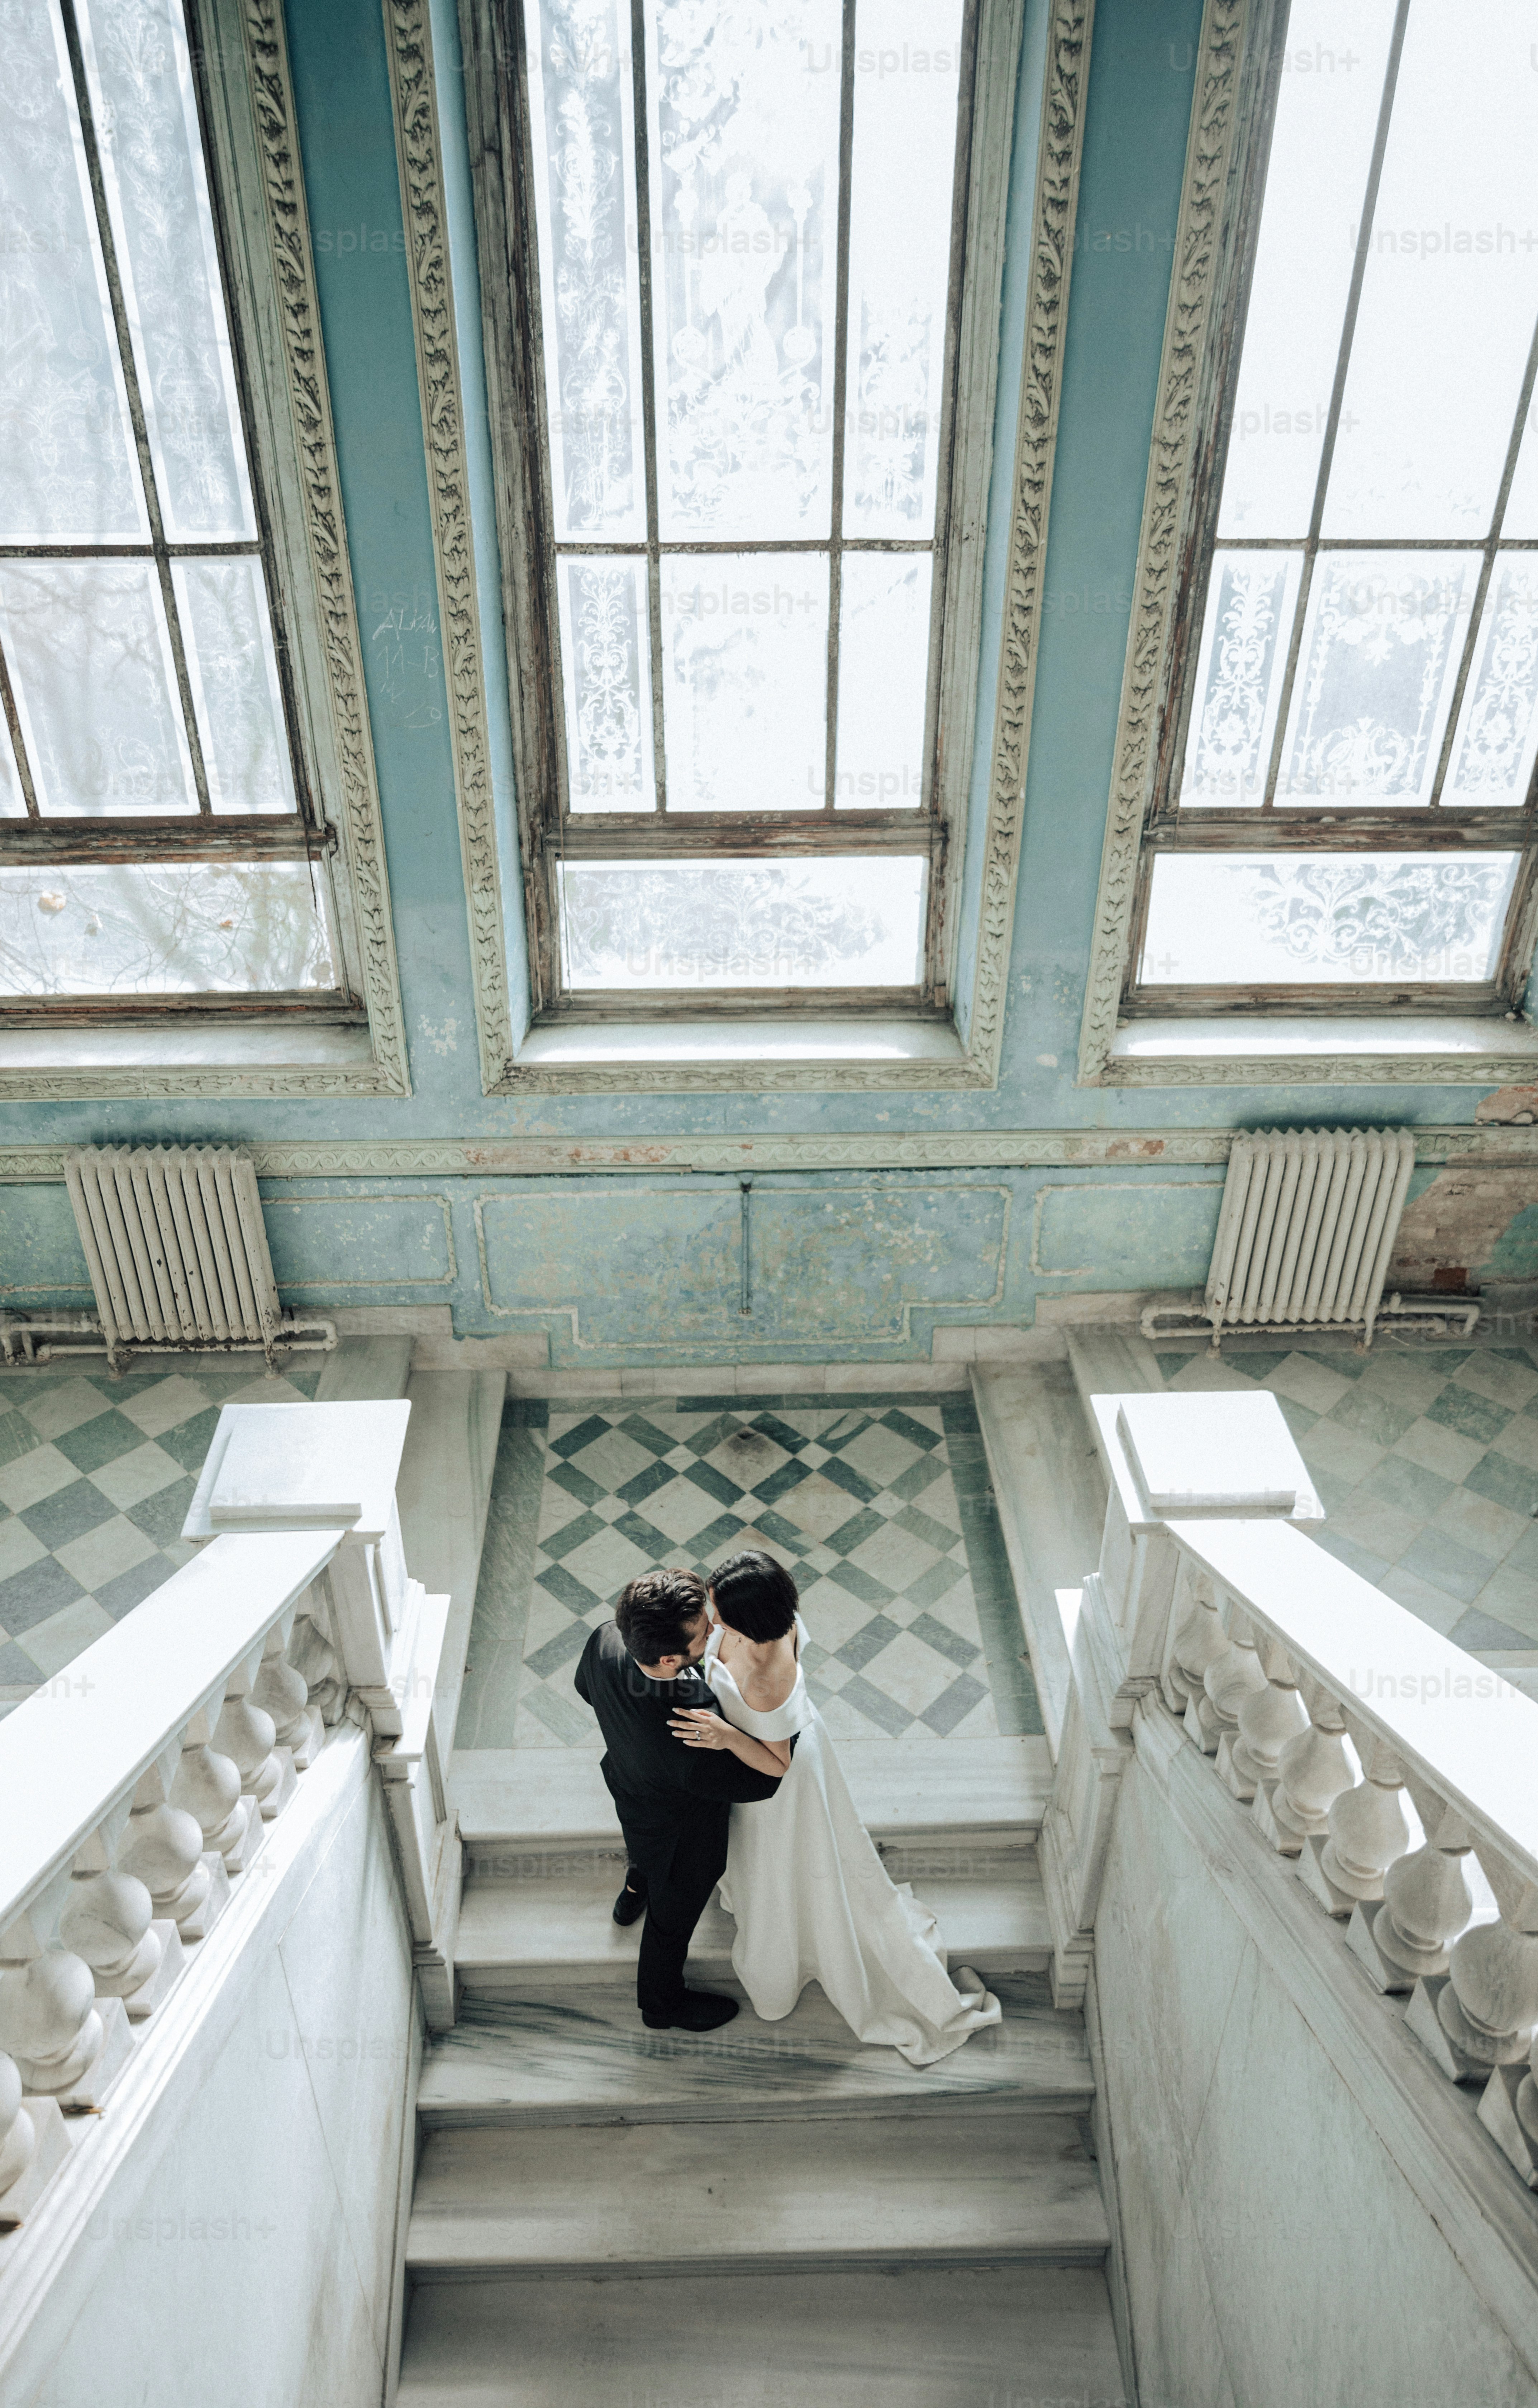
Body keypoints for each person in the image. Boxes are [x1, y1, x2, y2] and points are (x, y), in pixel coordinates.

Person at [668, 1548, 1000, 2067]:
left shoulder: (762, 1675)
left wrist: (724, 1735)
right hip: (800, 1748)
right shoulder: (780, 1621)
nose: (713, 1623)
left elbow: (777, 1764)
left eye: (720, 1614)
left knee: (781, 1864)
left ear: (750, 1623)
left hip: (774, 1783)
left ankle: (784, 1959)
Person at [573, 1566, 785, 2033]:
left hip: (629, 1785)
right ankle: (661, 2006)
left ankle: (633, 1894)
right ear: (670, 1660)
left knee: (640, 1846)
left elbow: (584, 1688)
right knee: (670, 1925)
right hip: (682, 1839)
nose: (714, 1630)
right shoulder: (693, 1723)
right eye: (703, 1632)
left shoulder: (607, 1638)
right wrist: (733, 1738)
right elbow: (761, 1784)